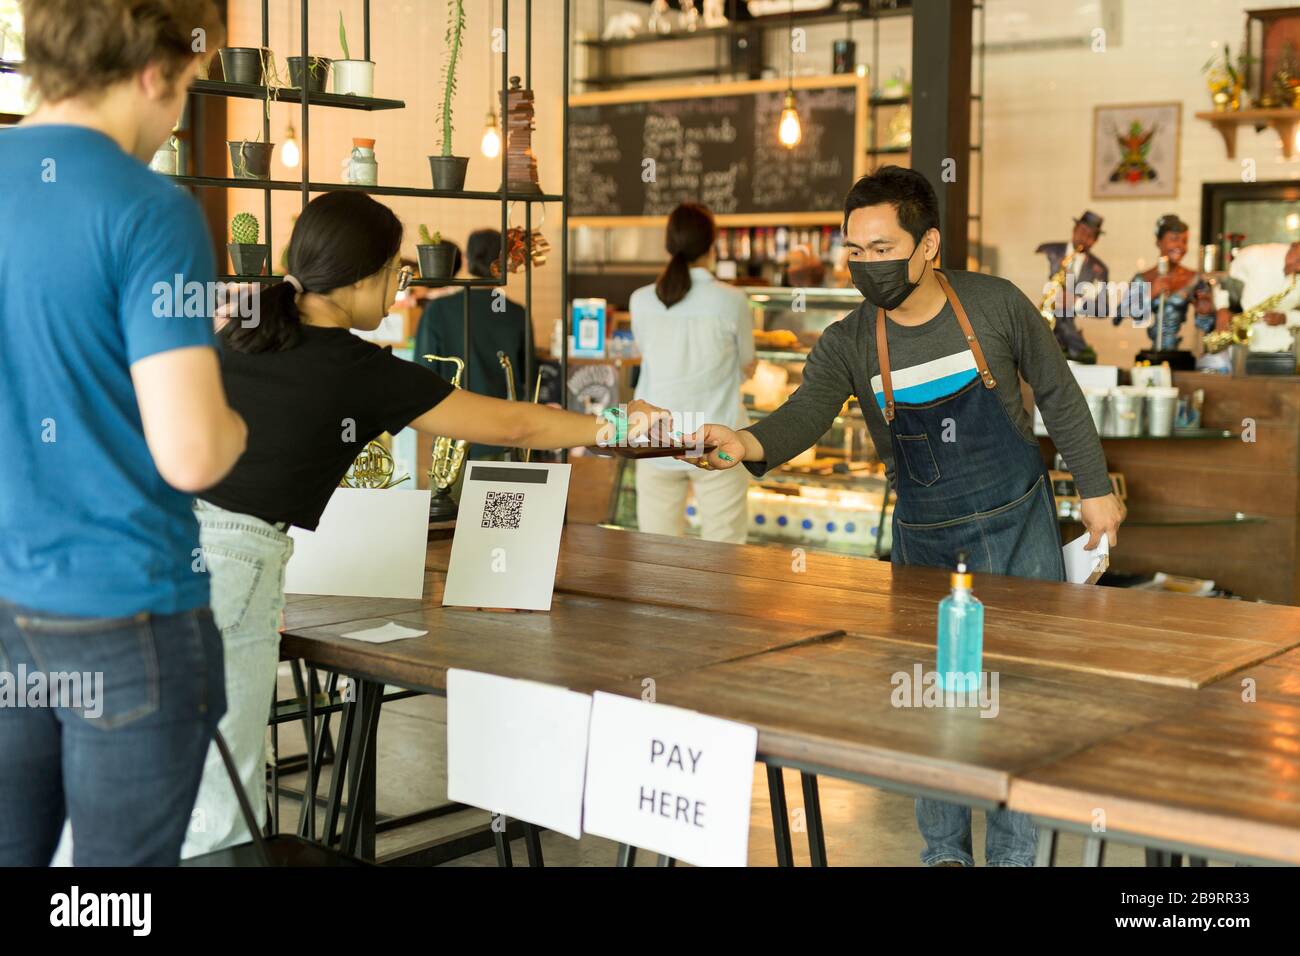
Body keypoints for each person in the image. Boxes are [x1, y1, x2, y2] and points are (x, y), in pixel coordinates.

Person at [184, 191, 667, 856]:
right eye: (395, 272)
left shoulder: (240, 329)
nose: (397, 288)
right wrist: (619, 425)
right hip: (231, 565)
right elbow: (514, 422)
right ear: (359, 276)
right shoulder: (355, 369)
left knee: (166, 771)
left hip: (152, 548)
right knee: (216, 799)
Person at [683, 166, 1125, 867]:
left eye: (881, 248)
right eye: (854, 251)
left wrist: (1097, 489)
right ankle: (944, 854)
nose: (865, 265)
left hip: (1021, 530)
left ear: (928, 247)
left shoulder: (996, 305)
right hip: (926, 540)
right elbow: (805, 412)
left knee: (1021, 705)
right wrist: (744, 443)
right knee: (940, 707)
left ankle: (1014, 858)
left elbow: (1059, 393)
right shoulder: (852, 340)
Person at [0, 0, 246, 866]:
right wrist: (235, 423)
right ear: (152, 72)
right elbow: (193, 454)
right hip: (123, 611)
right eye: (183, 86)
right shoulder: (148, 209)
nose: (176, 111)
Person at [630, 203, 755, 544]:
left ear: (668, 244)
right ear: (712, 245)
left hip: (655, 440)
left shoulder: (641, 300)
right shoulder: (732, 299)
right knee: (724, 550)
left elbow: (648, 354)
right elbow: (748, 362)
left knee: (656, 552)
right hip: (718, 437)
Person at [415, 230, 528, 460]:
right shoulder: (517, 314)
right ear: (505, 262)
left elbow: (421, 376)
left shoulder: (438, 310)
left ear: (465, 259)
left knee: (452, 498)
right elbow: (529, 378)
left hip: (452, 441)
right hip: (507, 439)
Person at [1124, 214, 1215, 354]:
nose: (1180, 246)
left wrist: (1204, 313)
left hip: (1182, 355)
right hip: (1150, 354)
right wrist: (1151, 292)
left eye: (1184, 241)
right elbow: (1129, 315)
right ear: (1159, 242)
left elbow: (1205, 326)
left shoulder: (1194, 279)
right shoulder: (1142, 278)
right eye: (1174, 239)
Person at [1036, 210, 1109, 361]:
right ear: (1074, 230)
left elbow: (1103, 309)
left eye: (1091, 236)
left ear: (1096, 240)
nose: (1085, 238)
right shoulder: (1048, 250)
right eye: (1082, 231)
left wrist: (1077, 302)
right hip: (1042, 329)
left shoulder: (1100, 269)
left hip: (1071, 339)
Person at [1216, 240, 1300, 353]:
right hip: (1237, 345)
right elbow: (1226, 283)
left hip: (1281, 348)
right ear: (1294, 245)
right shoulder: (1255, 255)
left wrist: (1286, 318)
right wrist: (1222, 309)